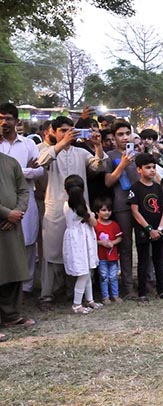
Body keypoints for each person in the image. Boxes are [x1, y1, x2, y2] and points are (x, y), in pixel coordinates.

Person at [37, 117, 106, 310]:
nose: (68, 134)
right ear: (53, 131)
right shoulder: (46, 150)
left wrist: (98, 146)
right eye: (63, 130)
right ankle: (47, 295)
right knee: (51, 252)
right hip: (55, 209)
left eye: (71, 130)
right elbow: (41, 162)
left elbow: (99, 166)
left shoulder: (81, 152)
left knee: (80, 249)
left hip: (80, 209)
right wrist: (61, 144)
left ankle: (76, 293)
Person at [0, 103, 43, 296]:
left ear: (17, 122)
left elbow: (40, 170)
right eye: (0, 118)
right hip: (3, 206)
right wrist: (25, 170)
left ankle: (25, 288)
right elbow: (31, 171)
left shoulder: (28, 144)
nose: (4, 122)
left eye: (8, 118)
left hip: (24, 203)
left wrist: (20, 171)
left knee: (27, 243)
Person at [0, 152, 35, 339]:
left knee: (13, 270)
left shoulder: (10, 162)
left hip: (12, 226)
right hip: (6, 219)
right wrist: (6, 213)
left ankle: (11, 316)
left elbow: (23, 190)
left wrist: (18, 213)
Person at [103, 120, 139, 299]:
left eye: (127, 133)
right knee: (125, 246)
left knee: (143, 242)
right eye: (120, 134)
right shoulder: (109, 156)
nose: (125, 138)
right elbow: (108, 181)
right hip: (121, 205)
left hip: (140, 204)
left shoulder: (138, 154)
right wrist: (122, 165)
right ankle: (128, 286)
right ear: (114, 137)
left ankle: (145, 282)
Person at [128, 154, 163, 301]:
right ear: (139, 169)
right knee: (143, 261)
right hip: (144, 231)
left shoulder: (158, 188)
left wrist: (159, 227)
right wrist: (149, 229)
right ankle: (142, 292)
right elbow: (135, 211)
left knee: (159, 260)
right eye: (148, 168)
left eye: (153, 167)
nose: (152, 170)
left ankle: (161, 290)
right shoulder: (135, 188)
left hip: (158, 230)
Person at [62, 175, 100, 314]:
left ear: (66, 190)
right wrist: (91, 214)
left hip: (78, 240)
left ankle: (90, 300)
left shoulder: (67, 204)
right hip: (81, 241)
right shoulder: (81, 208)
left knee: (87, 271)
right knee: (84, 274)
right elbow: (94, 222)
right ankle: (77, 304)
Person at [93, 197, 122, 304]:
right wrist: (102, 243)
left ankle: (115, 295)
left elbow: (119, 237)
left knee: (113, 276)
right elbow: (93, 240)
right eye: (103, 210)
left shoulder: (114, 225)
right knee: (104, 277)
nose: (107, 213)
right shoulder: (95, 225)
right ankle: (105, 296)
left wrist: (112, 243)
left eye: (109, 210)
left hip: (113, 257)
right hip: (101, 257)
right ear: (97, 211)